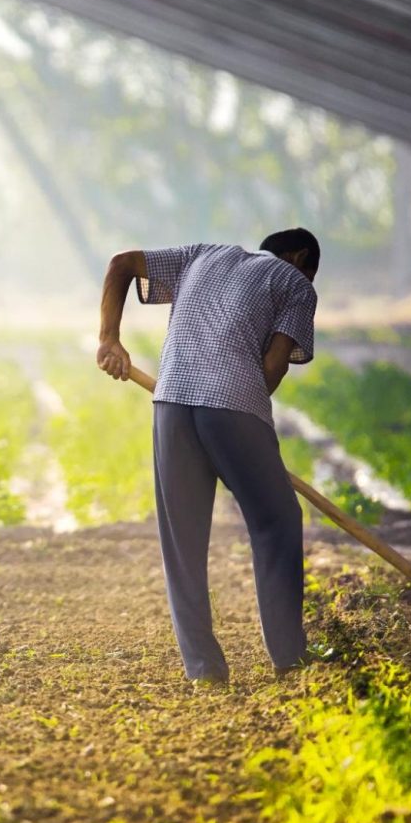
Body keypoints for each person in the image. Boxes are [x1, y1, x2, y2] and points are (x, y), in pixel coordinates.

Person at [95, 229, 320, 685]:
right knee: (276, 522)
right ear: (299, 257)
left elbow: (121, 264)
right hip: (234, 406)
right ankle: (290, 661)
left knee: (183, 542)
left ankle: (204, 671)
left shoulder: (201, 255)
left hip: (171, 404)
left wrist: (109, 340)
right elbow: (273, 367)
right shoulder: (296, 283)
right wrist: (250, 425)